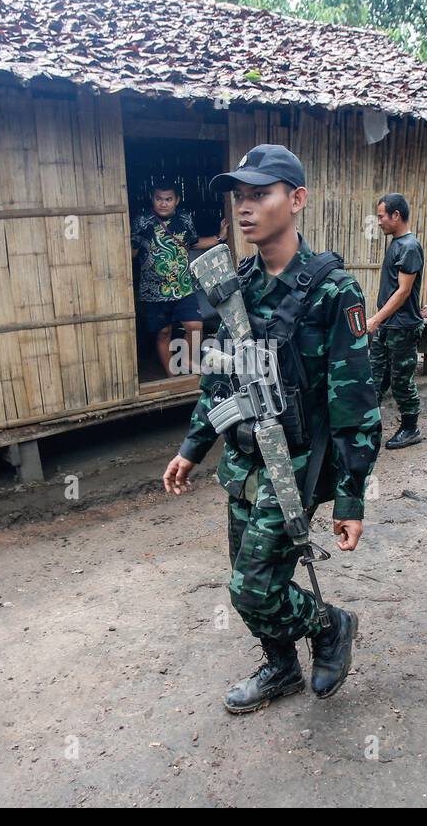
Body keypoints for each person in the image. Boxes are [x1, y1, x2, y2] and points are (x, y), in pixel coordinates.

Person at [161, 144, 382, 714]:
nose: (245, 207)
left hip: (297, 463)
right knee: (247, 574)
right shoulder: (235, 285)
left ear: (297, 200)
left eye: (260, 194)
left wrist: (351, 497)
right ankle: (282, 666)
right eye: (240, 196)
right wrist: (193, 447)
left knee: (253, 587)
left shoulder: (335, 291)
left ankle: (330, 624)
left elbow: (356, 403)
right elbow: (218, 378)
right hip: (242, 460)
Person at [131, 181, 226, 376]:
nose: (163, 203)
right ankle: (171, 374)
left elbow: (193, 243)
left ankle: (189, 361)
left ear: (177, 200)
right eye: (159, 198)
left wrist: (219, 237)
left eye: (168, 199)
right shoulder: (143, 221)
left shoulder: (184, 219)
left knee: (195, 326)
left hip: (183, 287)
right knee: (163, 332)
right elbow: (132, 251)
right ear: (152, 198)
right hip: (153, 292)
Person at [368, 193, 425, 449]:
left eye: (381, 216)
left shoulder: (409, 247)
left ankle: (410, 428)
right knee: (375, 376)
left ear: (396, 215)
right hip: (388, 325)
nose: (378, 221)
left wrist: (376, 319)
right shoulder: (396, 243)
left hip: (402, 326)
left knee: (401, 379)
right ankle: (368, 427)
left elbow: (403, 292)